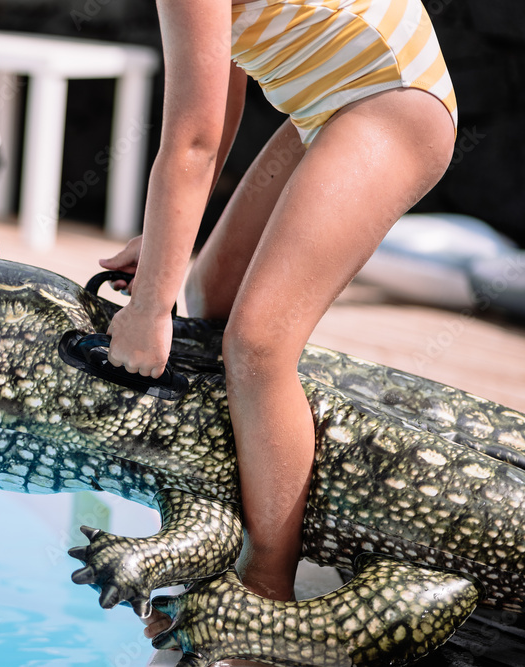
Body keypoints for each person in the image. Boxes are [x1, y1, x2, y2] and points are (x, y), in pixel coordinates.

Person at [98, 0, 457, 646]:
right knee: (216, 291)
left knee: (258, 345)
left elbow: (193, 141)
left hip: (388, 95)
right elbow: (219, 98)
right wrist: (161, 256)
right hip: (332, 100)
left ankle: (265, 595)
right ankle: (240, 531)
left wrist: (150, 309)